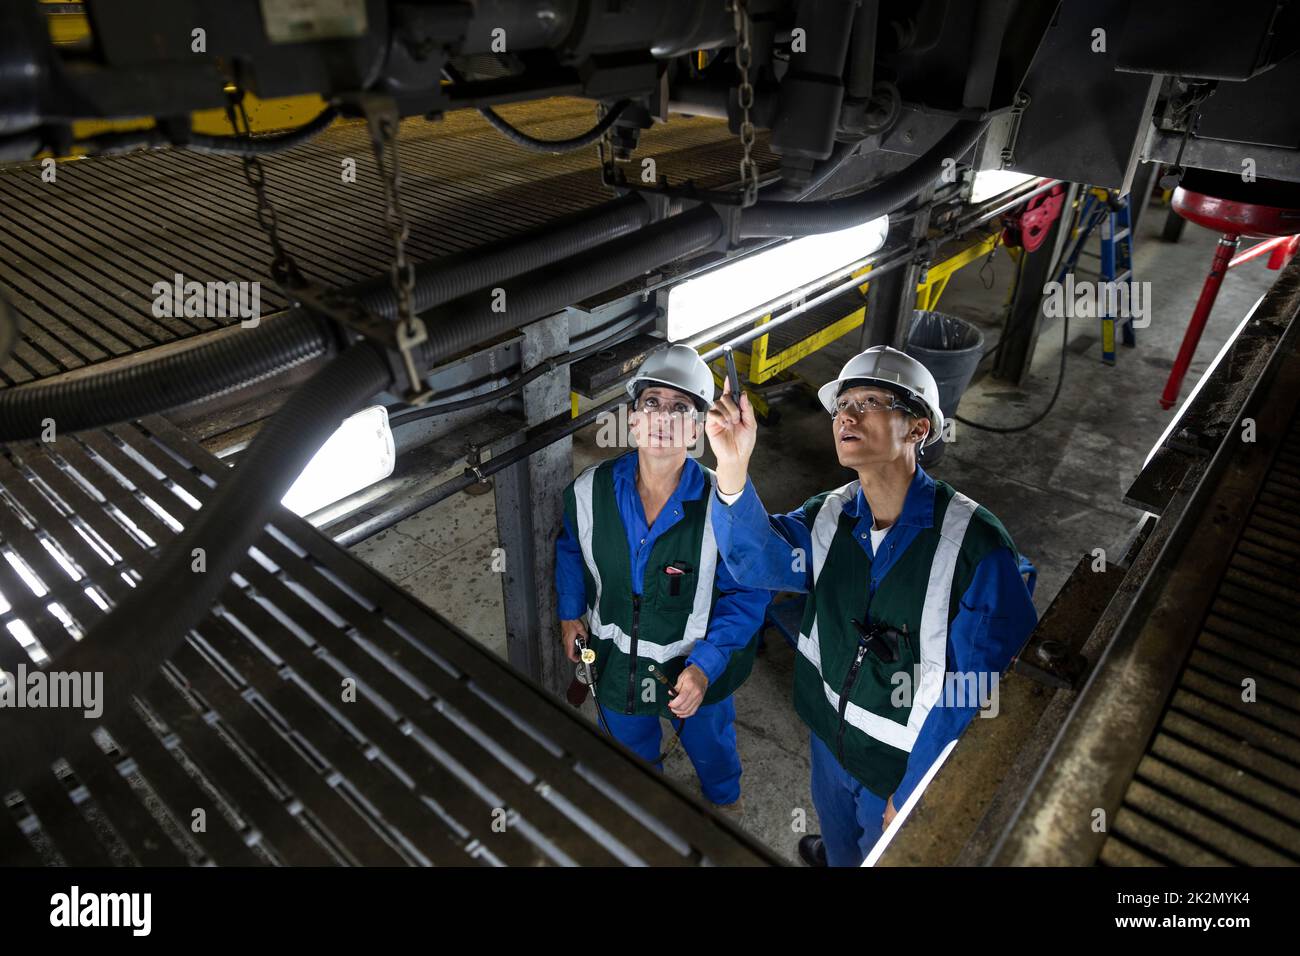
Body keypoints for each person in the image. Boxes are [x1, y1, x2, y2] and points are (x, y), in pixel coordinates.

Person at [705, 345, 1037, 865]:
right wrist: (731, 466)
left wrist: (912, 794)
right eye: (842, 406)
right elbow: (758, 563)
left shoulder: (975, 547)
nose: (847, 416)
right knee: (840, 841)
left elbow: (977, 692)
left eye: (870, 401)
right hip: (828, 741)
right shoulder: (831, 514)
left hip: (898, 766)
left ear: (919, 428)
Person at [556, 344, 771, 818]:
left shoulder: (724, 502)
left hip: (691, 672)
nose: (662, 417)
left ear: (697, 428)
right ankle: (648, 810)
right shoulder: (589, 490)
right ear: (632, 418)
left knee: (713, 751)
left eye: (680, 408)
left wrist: (706, 665)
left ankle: (724, 805)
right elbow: (571, 546)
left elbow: (749, 592)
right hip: (615, 668)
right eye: (651, 402)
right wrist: (570, 610)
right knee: (632, 758)